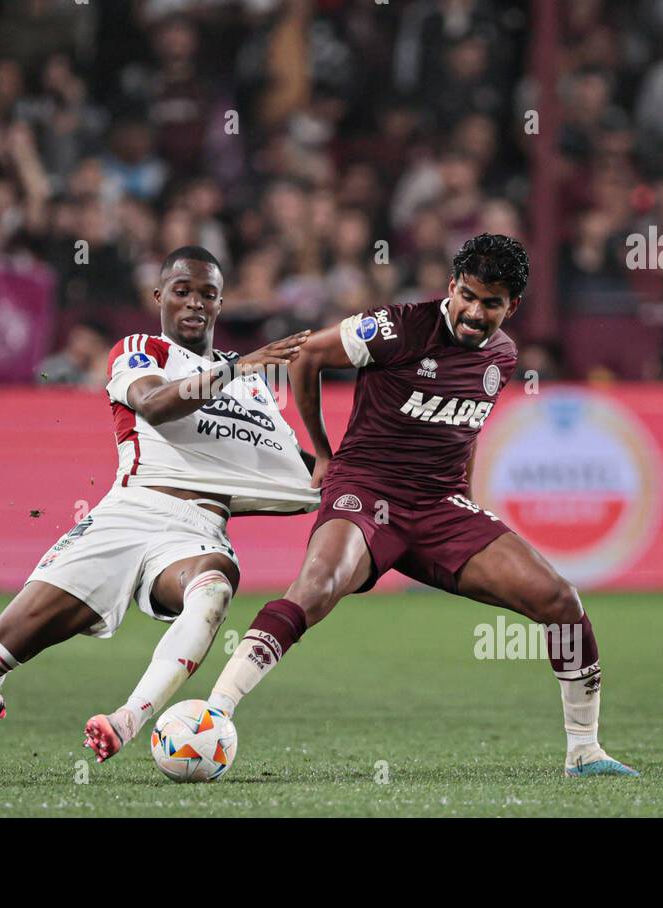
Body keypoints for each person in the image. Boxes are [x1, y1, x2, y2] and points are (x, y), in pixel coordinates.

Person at [204, 233, 639, 777]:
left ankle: (585, 752)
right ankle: (213, 713)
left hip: (438, 506)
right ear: (452, 286)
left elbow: (468, 428)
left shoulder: (502, 357)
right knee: (316, 589)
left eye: (492, 303)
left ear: (513, 306)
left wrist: (469, 501)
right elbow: (310, 355)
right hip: (365, 491)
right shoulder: (398, 327)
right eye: (469, 296)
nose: (475, 313)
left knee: (560, 602)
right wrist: (322, 452)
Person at [0, 246, 319, 775]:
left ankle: (127, 719)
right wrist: (234, 368)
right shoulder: (141, 349)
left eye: (208, 295)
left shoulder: (256, 390)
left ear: (221, 305)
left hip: (198, 531)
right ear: (159, 297)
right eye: (182, 291)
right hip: (127, 515)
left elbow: (302, 471)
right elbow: (154, 404)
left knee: (215, 586)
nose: (194, 303)